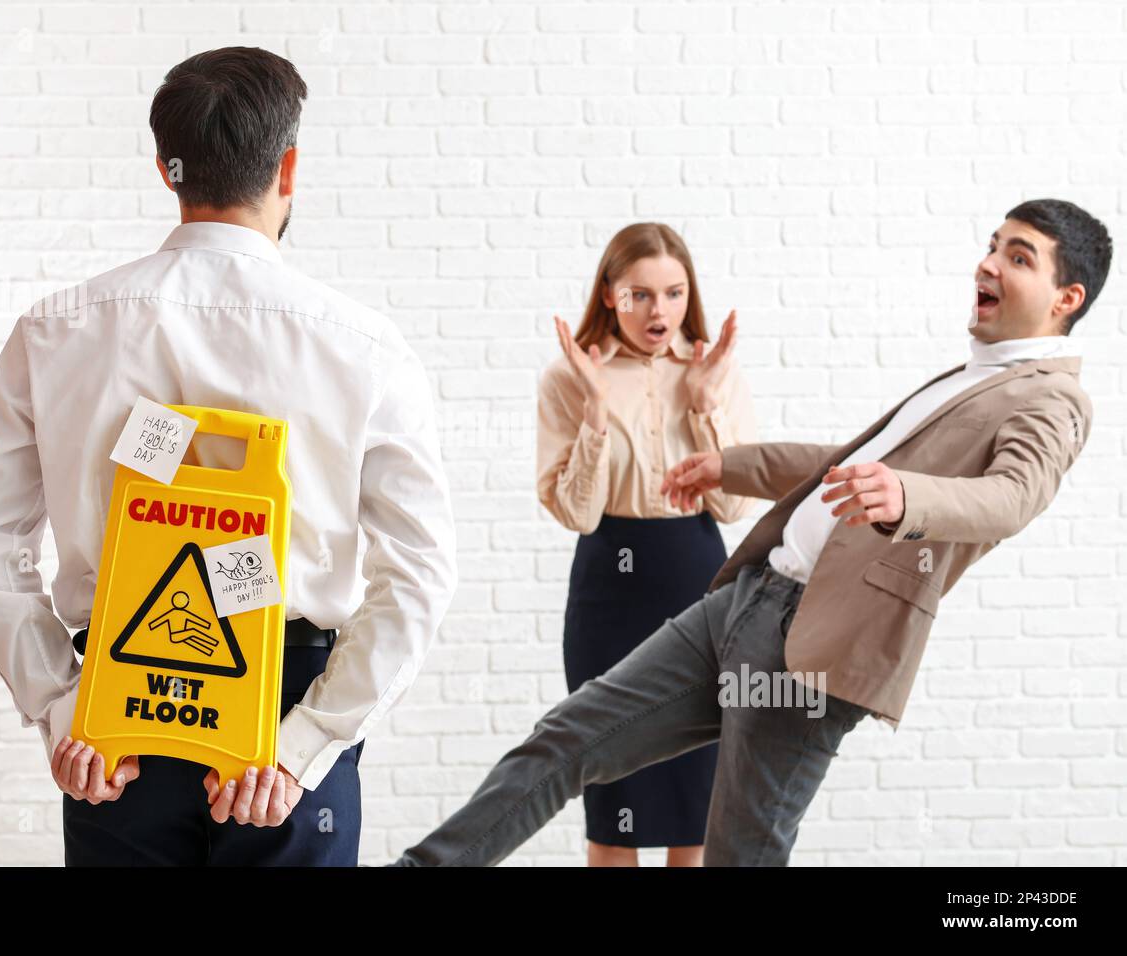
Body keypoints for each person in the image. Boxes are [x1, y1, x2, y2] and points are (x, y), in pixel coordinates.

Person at [390, 198, 1110, 867]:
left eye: (1018, 257)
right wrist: (727, 465)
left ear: (1065, 298)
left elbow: (1014, 496)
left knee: (737, 848)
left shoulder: (1052, 397)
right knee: (564, 741)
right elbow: (841, 467)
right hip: (744, 602)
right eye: (992, 246)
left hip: (813, 646)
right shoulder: (968, 375)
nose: (988, 263)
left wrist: (906, 496)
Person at [0, 47, 458, 866]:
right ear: (288, 167)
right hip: (284, 723)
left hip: (120, 721)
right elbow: (419, 573)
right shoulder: (364, 348)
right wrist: (305, 743)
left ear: (165, 169)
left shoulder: (57, 330)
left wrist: (65, 704)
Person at [538, 223, 756, 866]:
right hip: (610, 590)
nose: (659, 311)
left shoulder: (713, 371)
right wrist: (596, 409)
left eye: (674, 293)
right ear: (609, 294)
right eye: (640, 295)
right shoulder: (569, 376)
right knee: (614, 801)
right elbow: (577, 513)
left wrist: (704, 406)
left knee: (696, 803)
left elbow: (735, 505)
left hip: (698, 582)